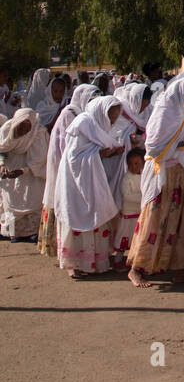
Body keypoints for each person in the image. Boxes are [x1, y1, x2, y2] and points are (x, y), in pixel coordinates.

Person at [127, 74, 184, 289]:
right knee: (155, 220)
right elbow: (153, 147)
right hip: (163, 176)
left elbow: (180, 142)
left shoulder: (178, 111)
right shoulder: (164, 112)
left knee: (183, 222)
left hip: (180, 174)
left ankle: (181, 270)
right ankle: (136, 268)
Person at [55, 95, 125, 277]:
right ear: (101, 113)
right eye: (111, 117)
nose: (112, 121)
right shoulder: (83, 124)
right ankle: (75, 265)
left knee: (97, 217)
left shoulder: (98, 128)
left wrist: (113, 152)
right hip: (75, 184)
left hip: (93, 183)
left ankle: (94, 262)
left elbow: (98, 149)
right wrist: (99, 154)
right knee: (77, 219)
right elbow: (73, 158)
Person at [37, 82, 96, 258]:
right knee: (62, 199)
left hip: (74, 165)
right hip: (63, 164)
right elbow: (65, 145)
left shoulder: (82, 115)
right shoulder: (69, 114)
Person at [0, 109, 50, 241]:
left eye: (27, 128)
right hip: (10, 168)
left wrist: (23, 171)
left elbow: (39, 161)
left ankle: (31, 233)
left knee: (32, 200)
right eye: (20, 127)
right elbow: (2, 149)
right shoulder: (6, 129)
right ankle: (11, 232)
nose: (23, 131)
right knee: (9, 201)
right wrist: (2, 165)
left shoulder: (38, 133)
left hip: (31, 173)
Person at [112, 147, 145, 268]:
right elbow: (127, 196)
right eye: (130, 164)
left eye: (137, 163)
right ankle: (118, 260)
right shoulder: (126, 178)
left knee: (138, 238)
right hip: (128, 214)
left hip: (140, 213)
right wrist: (143, 198)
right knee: (124, 236)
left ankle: (136, 262)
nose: (133, 166)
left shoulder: (144, 176)